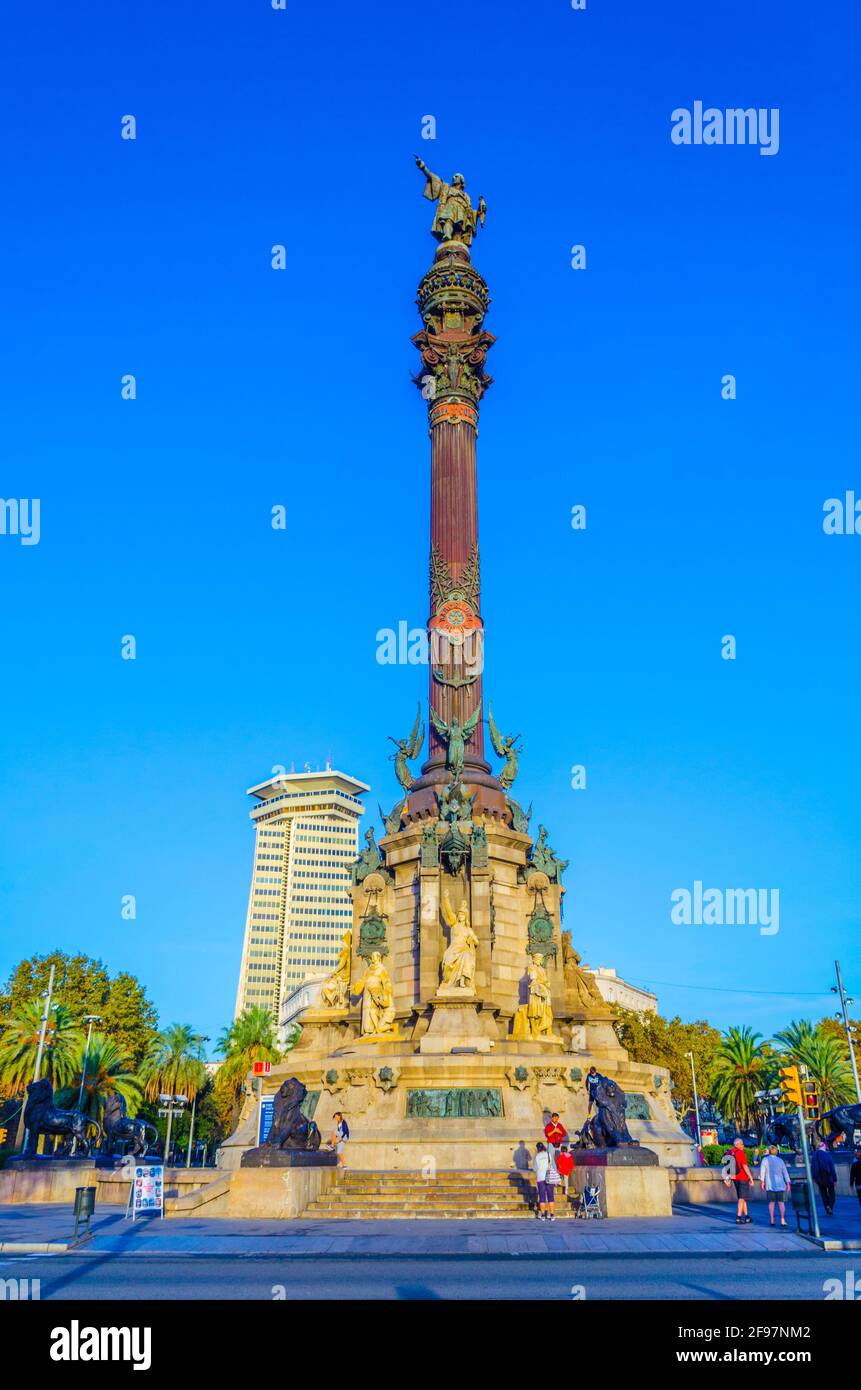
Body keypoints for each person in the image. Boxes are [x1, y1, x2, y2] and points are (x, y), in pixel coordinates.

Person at [758, 1144, 791, 1227]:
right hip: (780, 1185)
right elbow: (785, 1172)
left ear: (769, 1151)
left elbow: (762, 1172)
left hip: (770, 1185)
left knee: (771, 1203)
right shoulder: (780, 1160)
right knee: (781, 1203)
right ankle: (782, 1219)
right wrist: (788, 1183)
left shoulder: (765, 1160)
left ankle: (772, 1219)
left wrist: (762, 1182)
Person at [726, 1138, 753, 1224]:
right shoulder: (740, 1153)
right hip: (742, 1178)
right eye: (742, 1144)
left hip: (734, 1178)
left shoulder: (729, 1152)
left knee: (742, 1197)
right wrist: (751, 1177)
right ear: (737, 1144)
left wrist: (728, 1179)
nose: (743, 1146)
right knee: (741, 1199)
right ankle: (738, 1217)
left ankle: (747, 1216)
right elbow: (744, 1166)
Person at [811, 1141, 837, 1216]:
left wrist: (814, 1177)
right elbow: (832, 1167)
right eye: (825, 1146)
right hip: (829, 1177)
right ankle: (830, 1207)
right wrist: (835, 1179)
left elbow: (813, 1167)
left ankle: (827, 1207)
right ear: (823, 1146)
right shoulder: (827, 1155)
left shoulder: (814, 1156)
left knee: (823, 1194)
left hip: (819, 1178)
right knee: (832, 1193)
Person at [532, 1141, 555, 1221]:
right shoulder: (549, 1154)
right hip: (549, 1178)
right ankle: (552, 1215)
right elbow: (552, 1165)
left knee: (542, 1197)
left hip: (541, 1179)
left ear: (537, 1148)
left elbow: (534, 1168)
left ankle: (542, 1215)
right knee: (550, 1196)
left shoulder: (537, 1156)